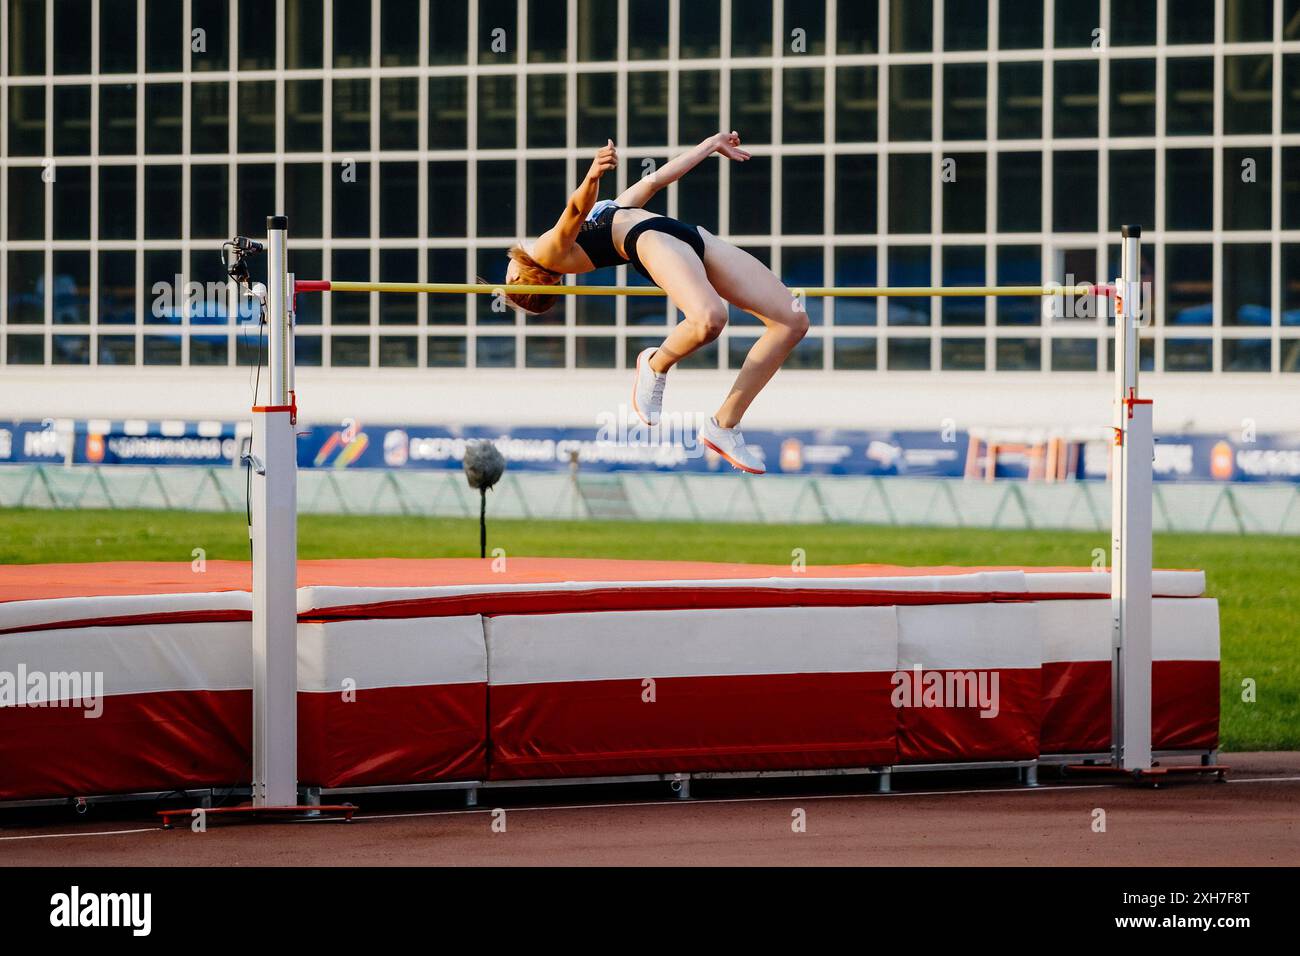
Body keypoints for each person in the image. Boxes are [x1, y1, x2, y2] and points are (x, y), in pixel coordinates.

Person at [503, 133, 808, 474]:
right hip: (651, 240)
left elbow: (654, 180)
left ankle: (725, 424)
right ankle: (656, 363)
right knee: (709, 319)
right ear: (519, 279)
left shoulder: (590, 226)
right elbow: (576, 209)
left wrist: (709, 146)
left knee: (791, 322)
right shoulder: (549, 253)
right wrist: (593, 174)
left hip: (688, 236)